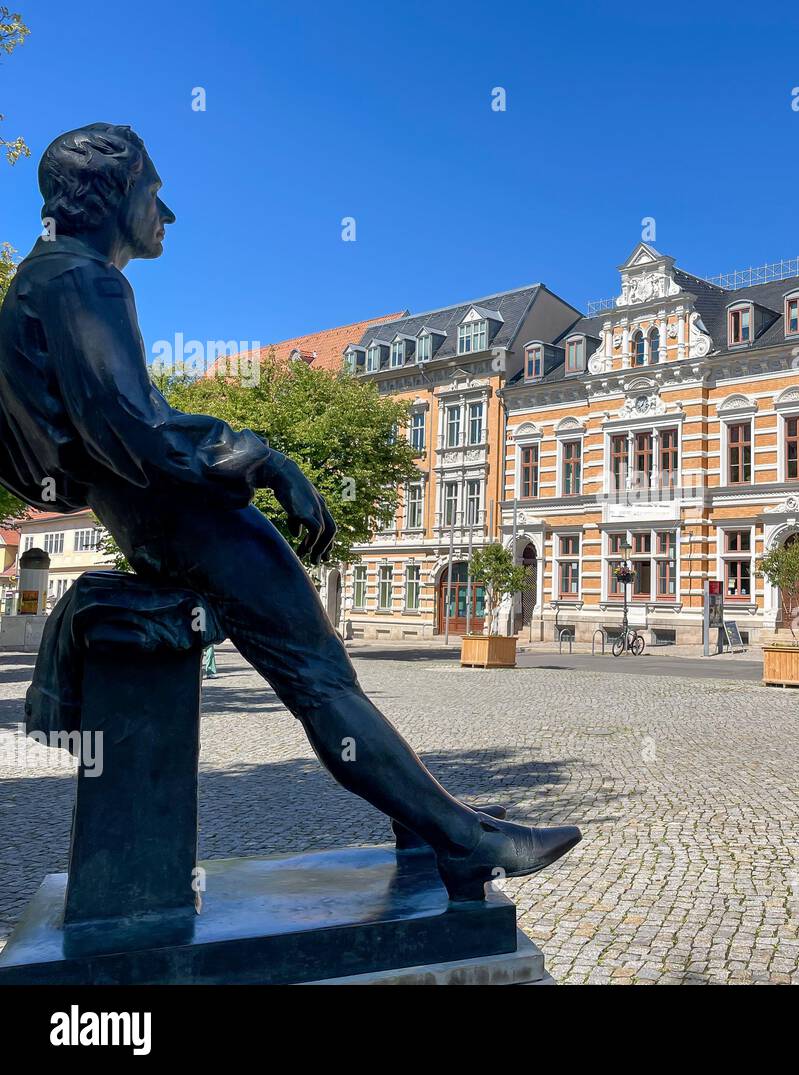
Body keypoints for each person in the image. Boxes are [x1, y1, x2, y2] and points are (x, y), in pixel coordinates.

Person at [0, 124, 578, 900]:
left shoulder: (46, 279)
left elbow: (86, 438)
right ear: (110, 196)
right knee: (322, 682)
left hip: (154, 519)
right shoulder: (83, 282)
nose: (165, 213)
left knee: (323, 675)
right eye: (153, 191)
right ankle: (461, 840)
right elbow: (132, 423)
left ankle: (427, 816)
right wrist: (265, 458)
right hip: (187, 518)